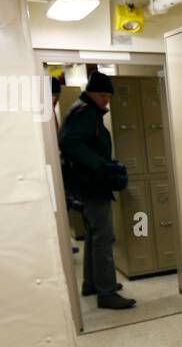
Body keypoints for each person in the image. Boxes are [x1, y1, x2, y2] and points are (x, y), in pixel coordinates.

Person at [58, 71, 136, 310]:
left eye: (108, 96)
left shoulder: (86, 111)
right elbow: (69, 143)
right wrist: (100, 165)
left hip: (89, 184)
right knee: (104, 237)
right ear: (91, 93)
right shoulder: (85, 113)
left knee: (94, 234)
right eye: (103, 96)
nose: (106, 101)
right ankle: (106, 292)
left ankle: (91, 283)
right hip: (91, 185)